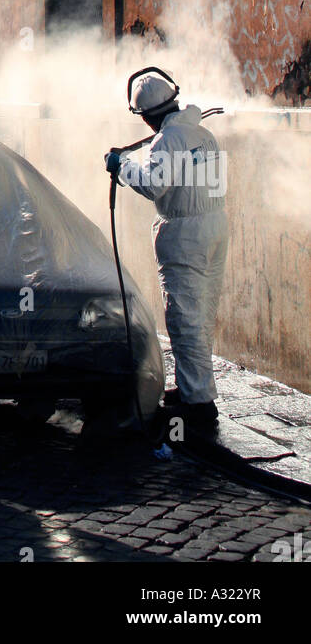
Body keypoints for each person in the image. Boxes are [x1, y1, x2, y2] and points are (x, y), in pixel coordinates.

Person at [105, 71, 228, 429]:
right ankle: (195, 390)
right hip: (215, 226)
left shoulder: (166, 142)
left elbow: (154, 186)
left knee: (184, 318)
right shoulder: (202, 133)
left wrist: (123, 167)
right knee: (201, 314)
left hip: (185, 234)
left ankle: (199, 407)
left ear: (145, 115)